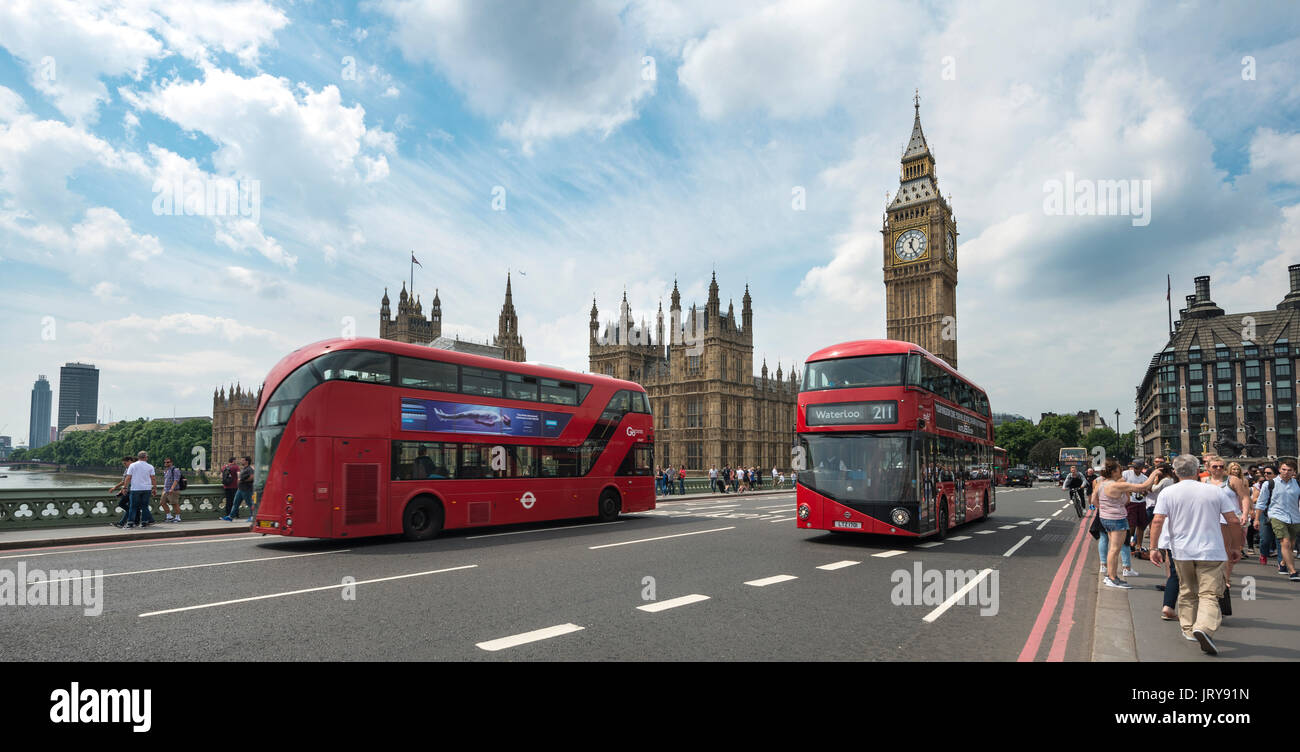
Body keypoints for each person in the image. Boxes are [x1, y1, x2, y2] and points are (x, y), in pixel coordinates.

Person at [1149, 454, 1246, 655]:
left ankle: (1189, 629)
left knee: (1187, 590)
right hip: (1211, 551)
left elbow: (1157, 521)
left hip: (1182, 551)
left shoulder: (1168, 493)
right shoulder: (1214, 491)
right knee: (1210, 594)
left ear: (1175, 472)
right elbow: (1234, 521)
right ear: (1197, 470)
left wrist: (1154, 548)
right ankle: (1204, 626)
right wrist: (1237, 547)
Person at [1097, 459, 1157, 587]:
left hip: (1105, 518)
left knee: (1112, 549)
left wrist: (1106, 509)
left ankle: (1110, 576)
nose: (1122, 472)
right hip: (1117, 519)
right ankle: (1112, 578)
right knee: (1114, 549)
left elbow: (1093, 500)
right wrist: (1155, 473)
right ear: (1113, 472)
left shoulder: (1101, 483)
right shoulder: (1117, 485)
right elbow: (1143, 487)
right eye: (1119, 470)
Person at [1254, 458, 1300, 581]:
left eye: (1289, 470)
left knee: (1291, 544)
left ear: (1294, 471)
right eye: (1283, 469)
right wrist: (1257, 519)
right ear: (1279, 470)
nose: (1286, 472)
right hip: (1276, 516)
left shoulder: (1297, 484)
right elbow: (1261, 503)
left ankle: (1284, 564)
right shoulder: (1269, 484)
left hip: (1294, 517)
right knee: (1284, 542)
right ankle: (1293, 572)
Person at [122, 451, 158, 530]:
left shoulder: (132, 465)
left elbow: (128, 477)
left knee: (133, 507)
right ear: (146, 457)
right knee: (144, 506)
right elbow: (153, 478)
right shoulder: (150, 466)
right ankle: (144, 523)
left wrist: (125, 487)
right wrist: (154, 488)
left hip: (135, 489)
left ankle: (130, 523)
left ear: (138, 457)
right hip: (146, 489)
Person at [1123, 459, 1150, 557]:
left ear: (1142, 468)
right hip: (1130, 502)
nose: (1135, 469)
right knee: (1131, 525)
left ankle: (1139, 545)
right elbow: (1121, 485)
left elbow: (1147, 491)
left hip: (1141, 503)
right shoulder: (1126, 474)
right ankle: (1128, 544)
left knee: (1141, 525)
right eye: (1134, 467)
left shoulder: (1144, 478)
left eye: (1137, 468)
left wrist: (1144, 492)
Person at [224, 456, 254, 521]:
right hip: (240, 489)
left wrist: (243, 480)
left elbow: (252, 477)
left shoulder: (249, 469)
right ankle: (231, 517)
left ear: (247, 461)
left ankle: (253, 517)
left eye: (243, 460)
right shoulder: (244, 468)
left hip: (246, 489)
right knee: (235, 503)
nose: (241, 461)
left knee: (250, 503)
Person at [109, 455, 135, 528]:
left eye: (125, 463)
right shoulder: (127, 469)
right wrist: (121, 489)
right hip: (128, 490)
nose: (124, 465)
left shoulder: (133, 468)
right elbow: (124, 481)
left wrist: (116, 487)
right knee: (123, 504)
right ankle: (130, 519)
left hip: (132, 490)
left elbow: (125, 481)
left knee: (130, 507)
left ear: (130, 461)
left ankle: (123, 523)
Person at [160, 457, 182, 522]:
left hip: (173, 490)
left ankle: (178, 517)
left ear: (171, 463)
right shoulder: (166, 470)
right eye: (165, 462)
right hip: (166, 490)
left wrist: (172, 489)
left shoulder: (175, 470)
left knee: (174, 503)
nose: (166, 463)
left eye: (168, 462)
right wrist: (164, 489)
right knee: (162, 503)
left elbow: (176, 480)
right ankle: (169, 516)